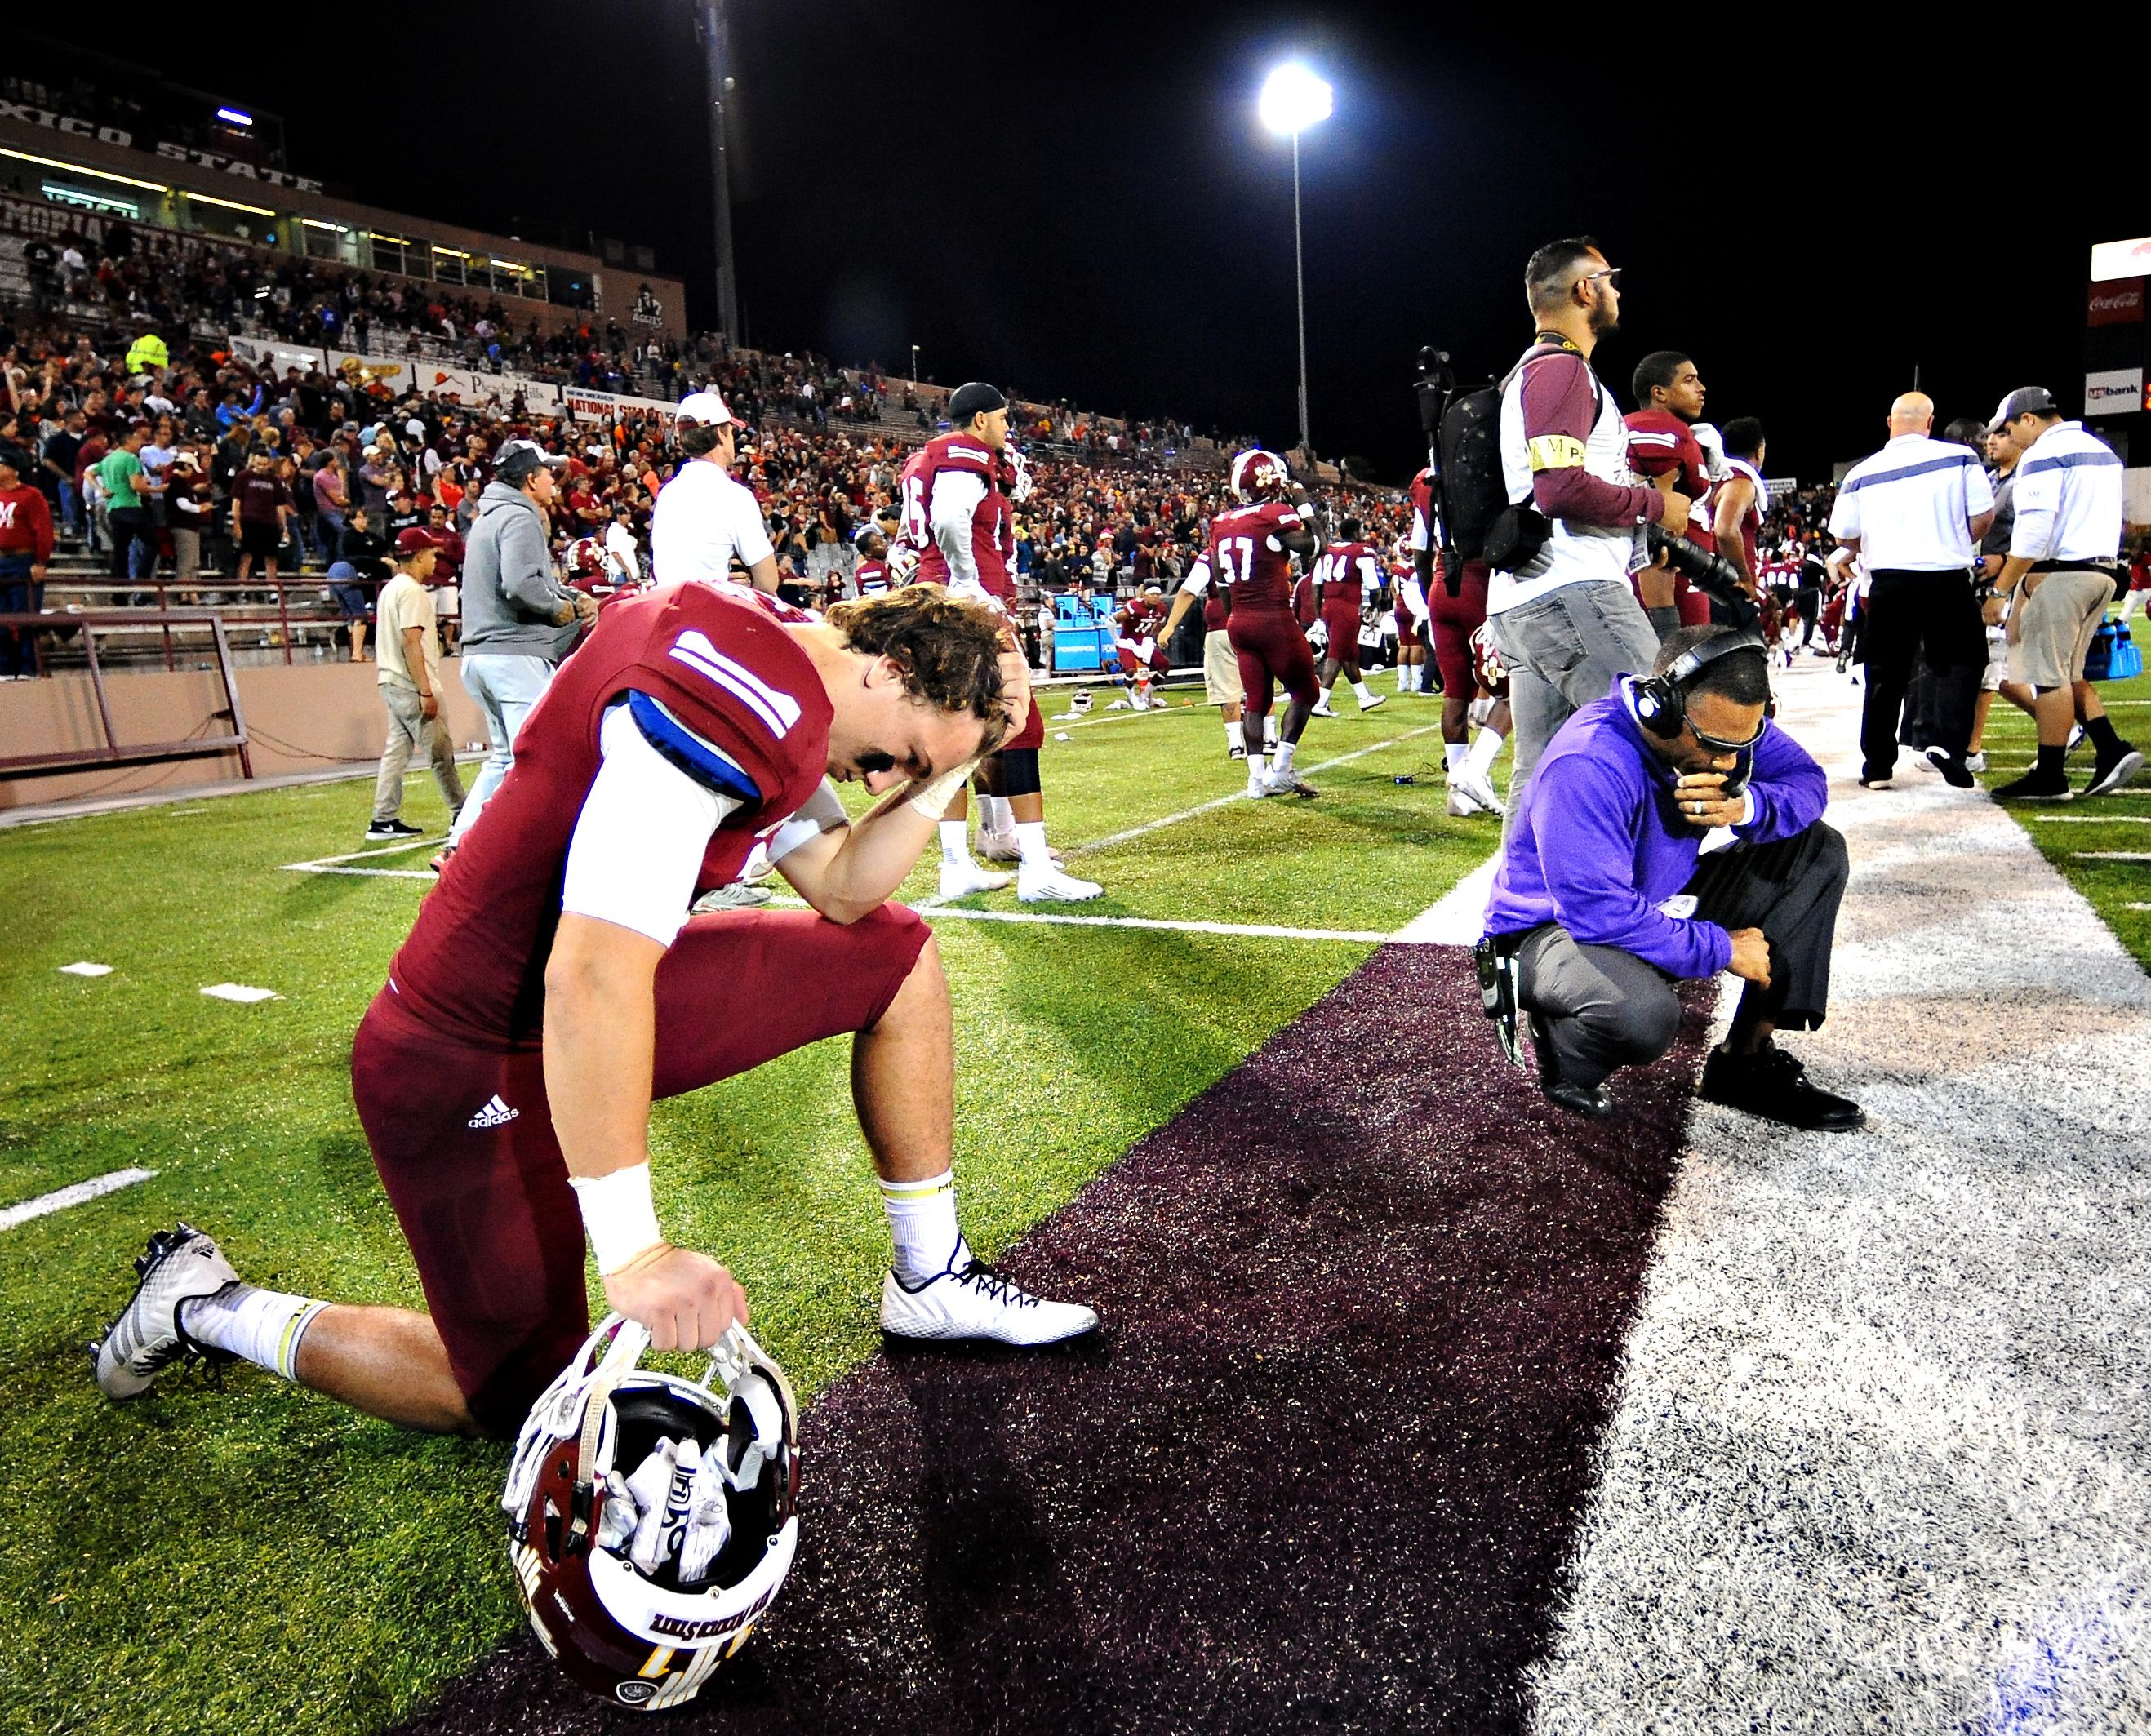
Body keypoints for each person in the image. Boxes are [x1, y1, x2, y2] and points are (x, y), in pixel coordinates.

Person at [93, 587, 1097, 1439]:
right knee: (513, 1400)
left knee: (893, 955)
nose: (881, 782)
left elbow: (843, 889)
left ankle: (929, 1277)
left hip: (576, 1002)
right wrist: (635, 1246)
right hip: (465, 1048)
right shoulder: (738, 702)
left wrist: (958, 754)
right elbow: (591, 974)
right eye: (902, 755)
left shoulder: (785, 664)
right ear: (889, 670)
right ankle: (207, 1305)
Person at [1482, 626, 1862, 1130]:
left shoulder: (1720, 720)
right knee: (1641, 1016)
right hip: (1552, 930)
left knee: (1817, 852)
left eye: (1743, 743)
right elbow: (1598, 913)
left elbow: (1806, 781)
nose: (1729, 761)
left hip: (1648, 898)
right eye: (1715, 746)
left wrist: (1746, 806)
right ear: (1658, 708)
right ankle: (1561, 1042)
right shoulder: (1587, 762)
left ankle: (1744, 1063)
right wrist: (1720, 947)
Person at [1486, 239, 1681, 828]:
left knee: (1539, 771)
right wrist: (1656, 505)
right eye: (1609, 279)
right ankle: (1644, 885)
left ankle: (1522, 891)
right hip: (1571, 591)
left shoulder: (1533, 372)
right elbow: (1561, 491)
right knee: (1668, 737)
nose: (1617, 291)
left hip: (1529, 595)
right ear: (1584, 289)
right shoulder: (1561, 369)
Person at [900, 383, 1100, 902]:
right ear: (980, 419)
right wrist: (969, 583)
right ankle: (1037, 869)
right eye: (1004, 418)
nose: (1007, 428)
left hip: (938, 599)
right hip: (967, 605)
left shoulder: (925, 461)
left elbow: (912, 539)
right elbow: (949, 518)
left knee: (955, 729)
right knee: (1020, 724)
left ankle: (955, 864)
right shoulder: (963, 452)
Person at [1825, 393, 1995, 790]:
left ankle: (1878, 766)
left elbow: (1843, 536)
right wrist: (1951, 540)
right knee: (1962, 661)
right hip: (1946, 576)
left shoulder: (1861, 472)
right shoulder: (1960, 458)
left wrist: (1880, 541)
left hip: (1889, 581)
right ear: (1930, 422)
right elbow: (1983, 516)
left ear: (1889, 422)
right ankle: (1948, 745)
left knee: (1884, 674)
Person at [1985, 387, 2143, 800]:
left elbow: (2034, 533)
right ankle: (2110, 748)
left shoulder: (2043, 453)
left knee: (2047, 676)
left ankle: (2051, 776)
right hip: (2100, 571)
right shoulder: (2102, 451)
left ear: (2029, 419)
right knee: (2068, 673)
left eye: (2009, 429)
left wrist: (2000, 591)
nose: (2009, 438)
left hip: (2062, 574)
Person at [442, 439, 597, 861]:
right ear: (530, 479)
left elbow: (525, 579)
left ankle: (460, 844)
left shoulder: (488, 518)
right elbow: (520, 584)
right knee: (532, 760)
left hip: (480, 656)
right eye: (547, 472)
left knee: (502, 757)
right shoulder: (520, 517)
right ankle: (509, 857)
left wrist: (566, 595)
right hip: (513, 655)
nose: (553, 480)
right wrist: (557, 608)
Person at [1211, 447, 1327, 797]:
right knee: (1307, 691)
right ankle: (1281, 769)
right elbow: (1318, 545)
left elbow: (1221, 582)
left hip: (1239, 620)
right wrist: (1303, 503)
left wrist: (1235, 617)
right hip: (1273, 619)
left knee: (1256, 700)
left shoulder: (1221, 523)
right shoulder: (1274, 515)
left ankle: (1255, 781)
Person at [367, 530, 467, 841]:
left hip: (391, 680)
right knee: (441, 753)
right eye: (432, 554)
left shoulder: (390, 589)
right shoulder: (412, 592)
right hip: (412, 685)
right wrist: (426, 690)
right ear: (420, 555)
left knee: (397, 752)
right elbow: (411, 642)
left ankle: (382, 819)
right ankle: (462, 813)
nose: (435, 560)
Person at [1624, 350, 1724, 638]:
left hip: (1679, 566)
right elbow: (1655, 523)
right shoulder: (1654, 428)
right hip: (1666, 574)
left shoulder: (1684, 433)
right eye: (1689, 380)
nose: (1701, 388)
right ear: (1659, 393)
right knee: (1683, 655)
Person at [649, 391, 779, 594]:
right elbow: (768, 583)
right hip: (708, 611)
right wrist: (736, 588)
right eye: (731, 432)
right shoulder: (735, 497)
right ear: (720, 433)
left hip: (668, 608)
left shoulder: (667, 495)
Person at [1155, 544, 1248, 759]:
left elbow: (1189, 590)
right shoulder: (1258, 544)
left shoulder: (1211, 555)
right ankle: (1269, 738)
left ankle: (1236, 744)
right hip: (1256, 622)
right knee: (1260, 686)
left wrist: (1169, 627)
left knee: (1227, 689)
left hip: (1222, 627)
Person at [1309, 519, 1388, 718]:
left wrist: (1318, 616)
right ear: (1355, 533)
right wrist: (1373, 607)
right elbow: (1374, 587)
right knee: (1336, 655)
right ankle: (1321, 702)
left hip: (1329, 606)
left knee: (1350, 654)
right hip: (1346, 608)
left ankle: (1364, 697)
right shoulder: (1361, 551)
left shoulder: (1327, 551)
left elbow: (1316, 585)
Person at [0, 449, 54, 679]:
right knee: (2, 618)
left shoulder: (31, 496)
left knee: (26, 615)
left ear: (12, 470)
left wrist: (40, 561)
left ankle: (27, 668)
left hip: (22, 560)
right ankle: (4, 667)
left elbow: (43, 530)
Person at [230, 447, 295, 598]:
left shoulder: (275, 481)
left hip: (269, 523)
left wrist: (284, 527)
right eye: (259, 464)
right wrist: (236, 523)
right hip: (249, 522)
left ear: (269, 463)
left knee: (271, 557)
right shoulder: (243, 477)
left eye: (265, 464)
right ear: (253, 461)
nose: (262, 467)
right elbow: (236, 502)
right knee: (246, 556)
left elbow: (279, 506)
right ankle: (242, 587)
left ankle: (272, 588)